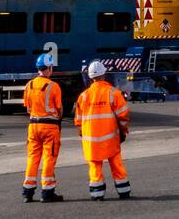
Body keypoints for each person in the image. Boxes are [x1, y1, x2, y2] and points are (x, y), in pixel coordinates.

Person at [74, 60, 131, 200]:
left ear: (90, 77)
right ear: (104, 74)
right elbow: (123, 116)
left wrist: (83, 132)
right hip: (110, 137)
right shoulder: (113, 93)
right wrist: (123, 131)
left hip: (91, 140)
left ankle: (97, 194)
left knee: (94, 165)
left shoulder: (84, 96)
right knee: (116, 163)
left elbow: (78, 120)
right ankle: (123, 191)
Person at [22, 53, 64, 203]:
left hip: (33, 126)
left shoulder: (29, 85)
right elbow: (59, 110)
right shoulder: (54, 86)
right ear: (49, 68)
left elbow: (27, 109)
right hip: (49, 127)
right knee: (48, 159)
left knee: (33, 158)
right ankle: (47, 192)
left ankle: (28, 192)